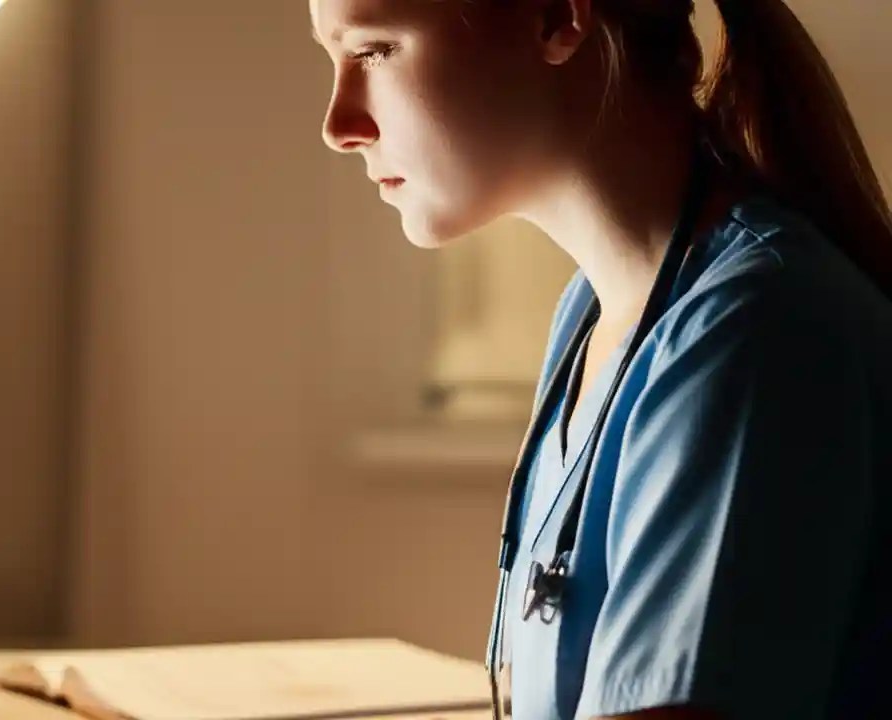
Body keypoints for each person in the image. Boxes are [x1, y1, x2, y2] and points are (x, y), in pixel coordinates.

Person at [310, 0, 891, 718]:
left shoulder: (756, 332)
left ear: (555, 16)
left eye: (373, 51)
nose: (338, 126)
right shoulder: (591, 313)